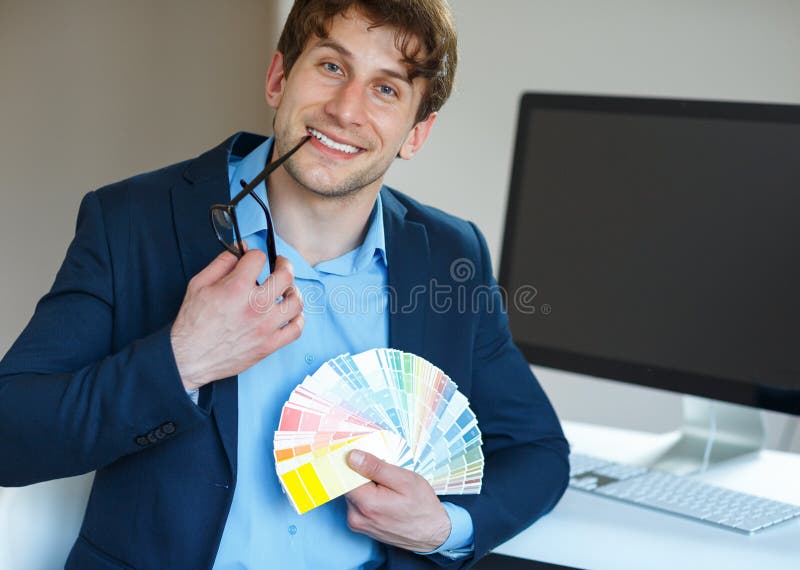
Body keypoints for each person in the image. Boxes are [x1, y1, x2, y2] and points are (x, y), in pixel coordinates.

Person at [0, 0, 569, 568]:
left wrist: (446, 527)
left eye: (387, 89)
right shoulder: (131, 220)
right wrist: (183, 360)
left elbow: (539, 452)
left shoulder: (450, 255)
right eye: (331, 67)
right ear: (278, 78)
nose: (346, 110)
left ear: (416, 134)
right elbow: (10, 434)